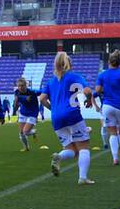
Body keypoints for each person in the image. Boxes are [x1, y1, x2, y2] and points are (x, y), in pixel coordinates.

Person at [40, 51, 96, 184]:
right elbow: (87, 91)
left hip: (56, 119)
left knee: (70, 149)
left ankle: (59, 156)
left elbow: (42, 99)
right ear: (69, 64)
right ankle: (82, 177)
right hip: (72, 115)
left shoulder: (50, 81)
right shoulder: (74, 76)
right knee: (83, 147)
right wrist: (89, 100)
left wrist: (53, 109)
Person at [95, 51, 120, 166]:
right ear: (119, 62)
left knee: (112, 133)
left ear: (108, 62)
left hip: (107, 106)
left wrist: (106, 91)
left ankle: (115, 158)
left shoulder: (102, 74)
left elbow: (97, 90)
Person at [11, 78, 42, 152]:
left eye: (22, 86)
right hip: (23, 113)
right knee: (21, 133)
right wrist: (15, 109)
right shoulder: (17, 92)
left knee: (25, 132)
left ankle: (33, 131)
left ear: (26, 85)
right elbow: (17, 101)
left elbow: (42, 92)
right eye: (19, 86)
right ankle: (26, 147)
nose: (20, 87)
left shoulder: (32, 92)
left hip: (32, 113)